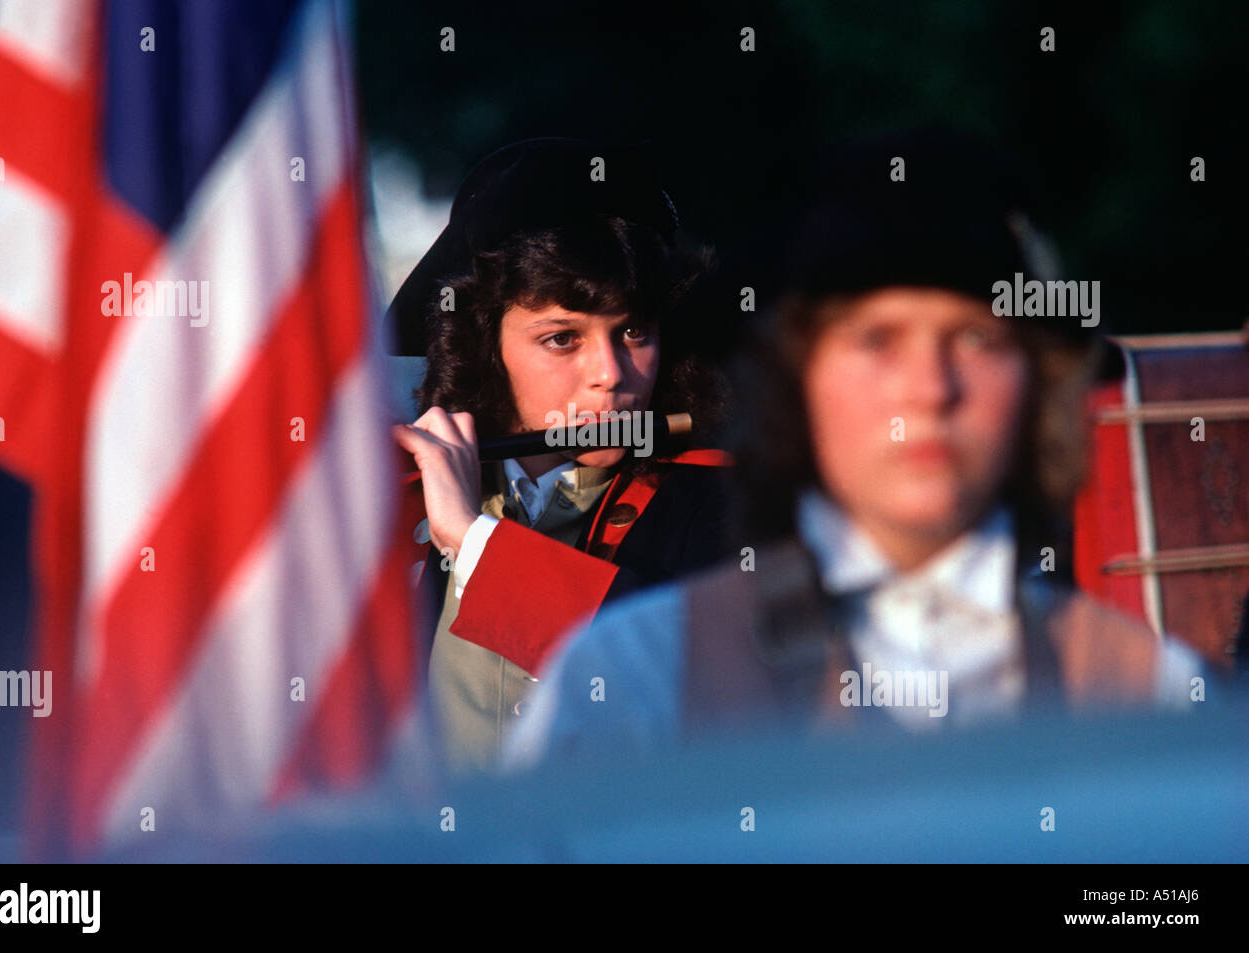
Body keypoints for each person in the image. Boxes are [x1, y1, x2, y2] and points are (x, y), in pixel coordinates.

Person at [504, 128, 1205, 767]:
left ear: (1036, 383)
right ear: (792, 381)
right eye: (877, 340)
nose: (931, 389)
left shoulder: (1154, 689)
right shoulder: (633, 682)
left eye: (976, 338)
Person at [386, 138, 733, 774]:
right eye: (562, 338)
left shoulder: (723, 501)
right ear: (484, 346)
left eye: (633, 331)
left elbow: (690, 677)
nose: (609, 374)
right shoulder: (392, 494)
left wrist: (472, 542)